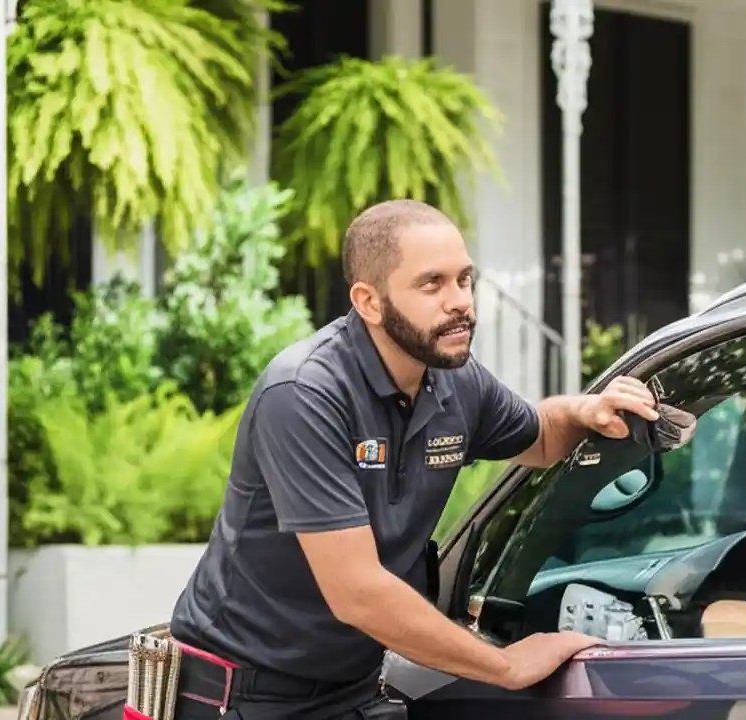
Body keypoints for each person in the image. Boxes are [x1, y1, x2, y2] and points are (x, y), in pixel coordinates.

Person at [162, 199, 663, 719]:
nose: (460, 303)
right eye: (432, 285)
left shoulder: (453, 381)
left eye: (465, 280)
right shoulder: (305, 392)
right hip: (242, 697)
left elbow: (538, 438)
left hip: (353, 688)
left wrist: (586, 409)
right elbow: (358, 593)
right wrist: (505, 666)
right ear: (369, 302)